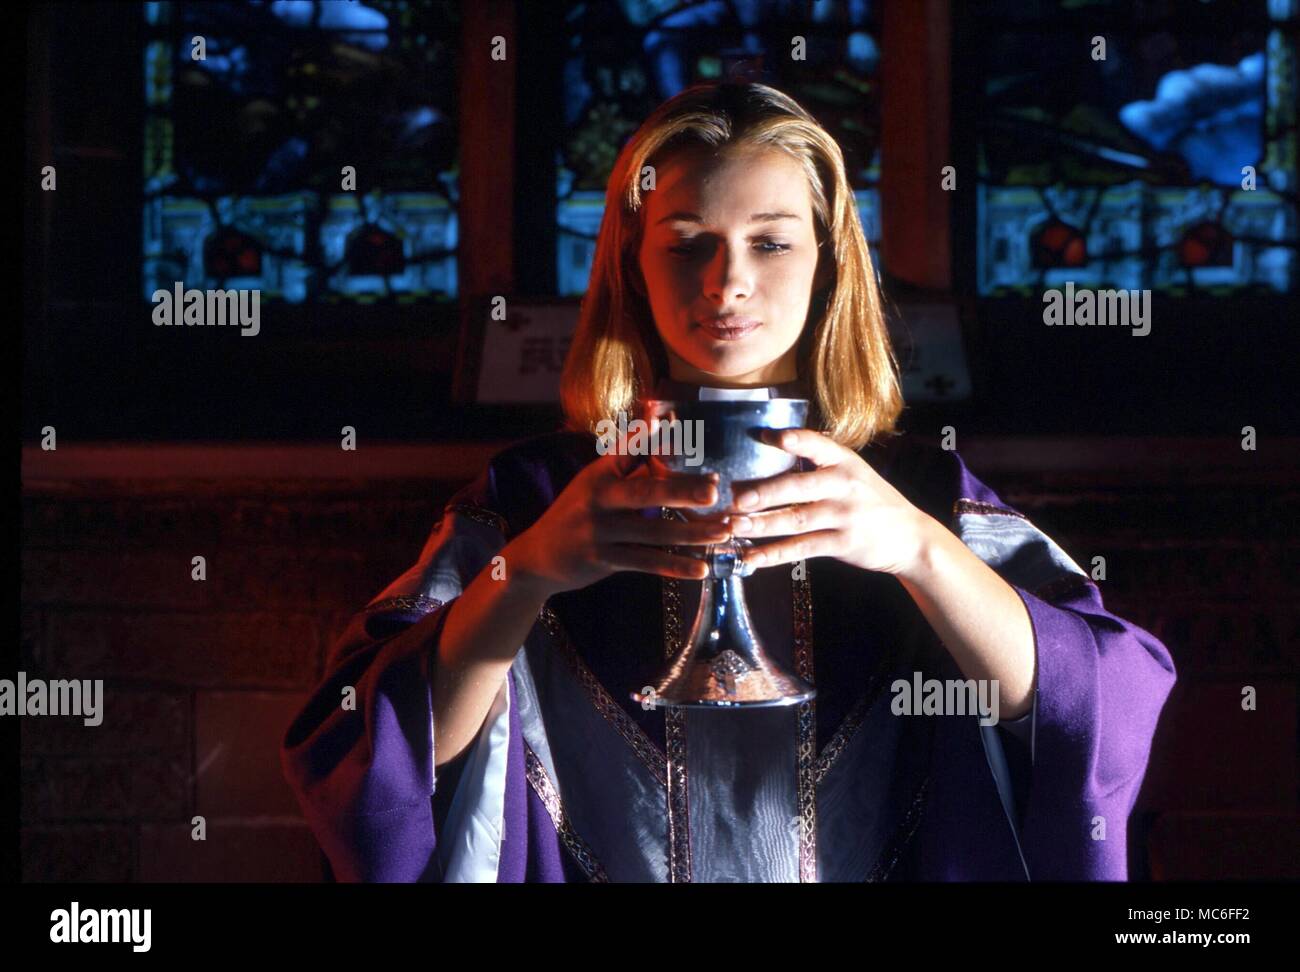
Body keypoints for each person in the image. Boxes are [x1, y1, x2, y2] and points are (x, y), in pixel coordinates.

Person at [281, 81, 1176, 882]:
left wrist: (920, 551)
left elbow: (1104, 706)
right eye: (686, 244)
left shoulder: (916, 495)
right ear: (631, 261)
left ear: (830, 262)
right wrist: (533, 572)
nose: (728, 282)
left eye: (772, 242)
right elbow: (362, 753)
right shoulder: (538, 498)